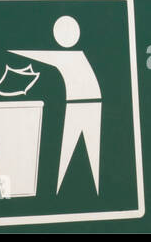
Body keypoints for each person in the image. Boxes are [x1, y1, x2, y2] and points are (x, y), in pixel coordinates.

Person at [11, 15, 102, 192]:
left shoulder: (74, 56)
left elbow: (48, 57)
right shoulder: (75, 56)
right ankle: (62, 189)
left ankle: (89, 189)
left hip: (88, 105)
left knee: (87, 153)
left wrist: (18, 51)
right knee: (68, 153)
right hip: (78, 104)